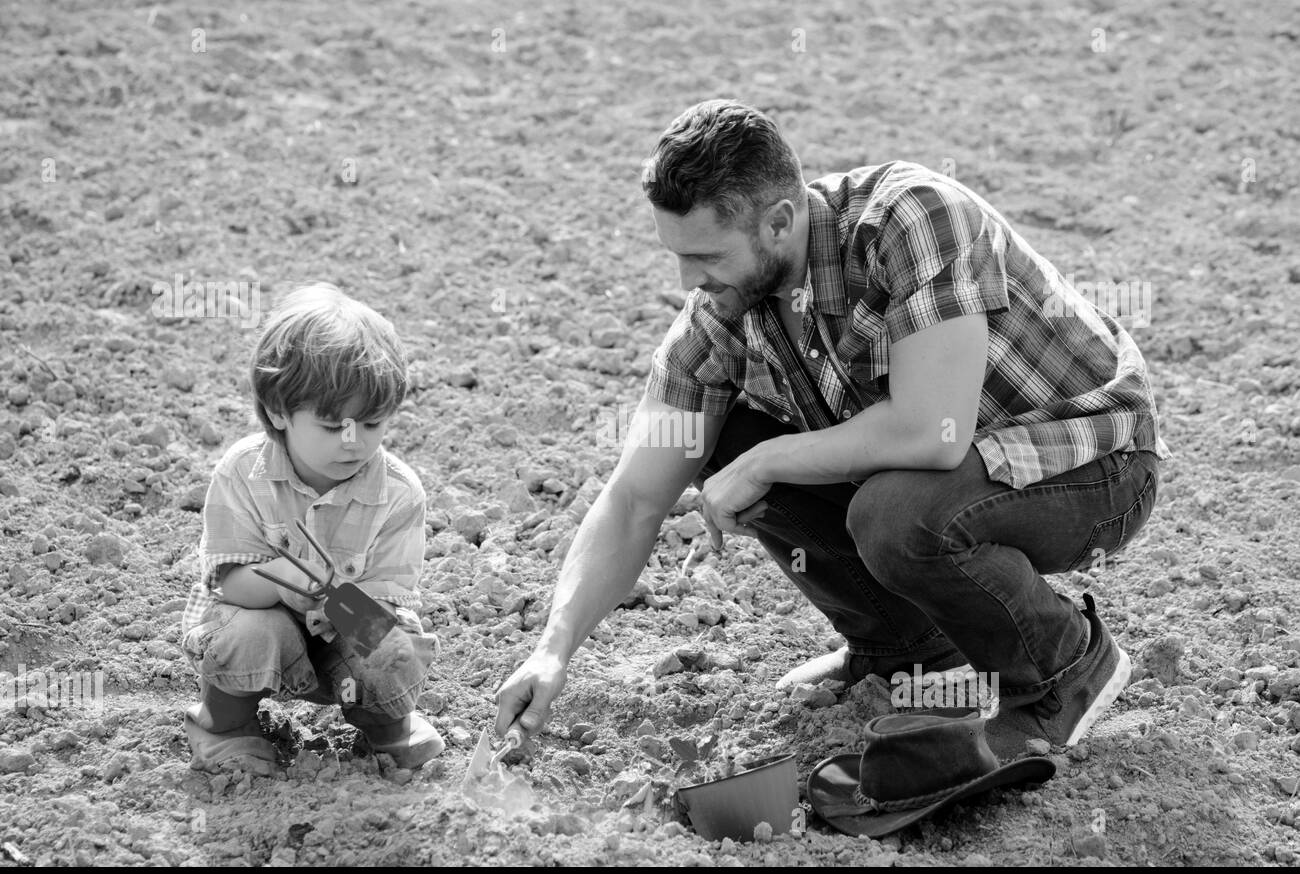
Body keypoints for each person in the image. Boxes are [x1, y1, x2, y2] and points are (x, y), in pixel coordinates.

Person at [495, 99, 1170, 762]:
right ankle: (905, 649)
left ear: (780, 221)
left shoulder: (910, 217)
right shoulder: (722, 314)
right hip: (970, 471)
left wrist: (768, 463)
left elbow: (930, 431)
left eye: (704, 256)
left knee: (892, 514)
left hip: (1093, 460)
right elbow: (634, 498)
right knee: (723, 438)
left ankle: (1064, 668)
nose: (688, 281)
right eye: (677, 256)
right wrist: (551, 651)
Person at [179, 282, 442, 772]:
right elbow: (230, 582)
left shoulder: (399, 492)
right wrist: (290, 579)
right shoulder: (241, 474)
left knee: (392, 651)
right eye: (331, 426)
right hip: (260, 621)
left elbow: (387, 600)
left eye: (371, 424)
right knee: (248, 636)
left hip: (348, 623)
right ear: (279, 412)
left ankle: (389, 729)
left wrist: (337, 603)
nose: (353, 442)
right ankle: (224, 724)